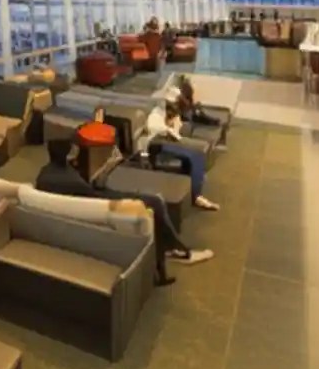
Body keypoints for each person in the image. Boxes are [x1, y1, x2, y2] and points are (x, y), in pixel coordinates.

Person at [36, 137, 212, 286]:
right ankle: (178, 251)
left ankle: (168, 255)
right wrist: (105, 171)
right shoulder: (69, 179)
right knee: (156, 202)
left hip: (95, 201)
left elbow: (85, 191)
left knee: (154, 201)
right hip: (109, 204)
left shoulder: (45, 174)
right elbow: (94, 193)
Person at [146, 101, 220, 211]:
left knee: (200, 150)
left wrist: (174, 126)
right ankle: (197, 196)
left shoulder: (165, 113)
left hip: (167, 139)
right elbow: (163, 131)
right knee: (197, 154)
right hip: (156, 143)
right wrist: (171, 128)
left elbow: (176, 132)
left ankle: (194, 179)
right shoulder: (155, 118)